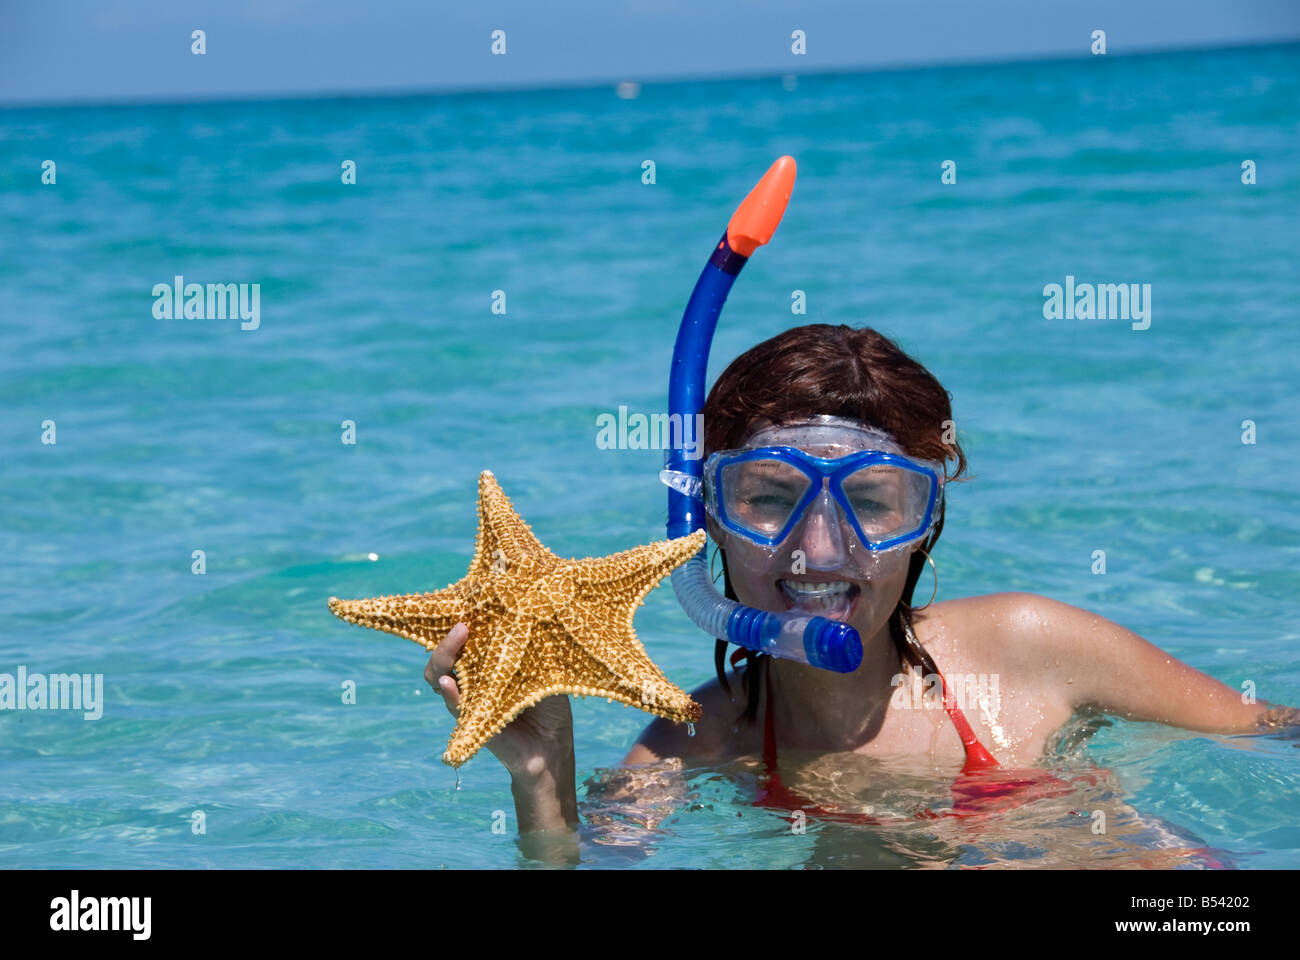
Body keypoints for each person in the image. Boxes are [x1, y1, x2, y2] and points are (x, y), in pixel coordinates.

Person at [423, 324, 1297, 847]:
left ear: (927, 524)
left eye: (876, 505)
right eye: (767, 497)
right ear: (705, 522)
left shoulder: (1034, 650)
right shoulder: (694, 743)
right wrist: (540, 780)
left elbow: (1273, 733)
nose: (817, 549)